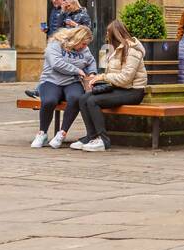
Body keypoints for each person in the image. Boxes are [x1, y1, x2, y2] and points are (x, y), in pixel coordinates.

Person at [72, 19, 148, 152]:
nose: (106, 35)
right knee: (84, 98)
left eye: (108, 32)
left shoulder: (132, 50)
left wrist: (102, 77)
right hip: (119, 88)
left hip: (133, 91)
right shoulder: (113, 49)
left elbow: (126, 78)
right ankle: (92, 136)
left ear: (115, 34)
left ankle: (103, 140)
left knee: (93, 101)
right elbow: (108, 71)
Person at [31, 25, 95, 149]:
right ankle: (42, 133)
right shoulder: (56, 44)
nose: (85, 47)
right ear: (76, 39)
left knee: (76, 98)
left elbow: (91, 61)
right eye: (83, 44)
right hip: (51, 80)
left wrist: (92, 73)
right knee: (50, 100)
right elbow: (56, 64)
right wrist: (77, 70)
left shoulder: (84, 50)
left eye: (86, 44)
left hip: (72, 82)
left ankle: (62, 133)